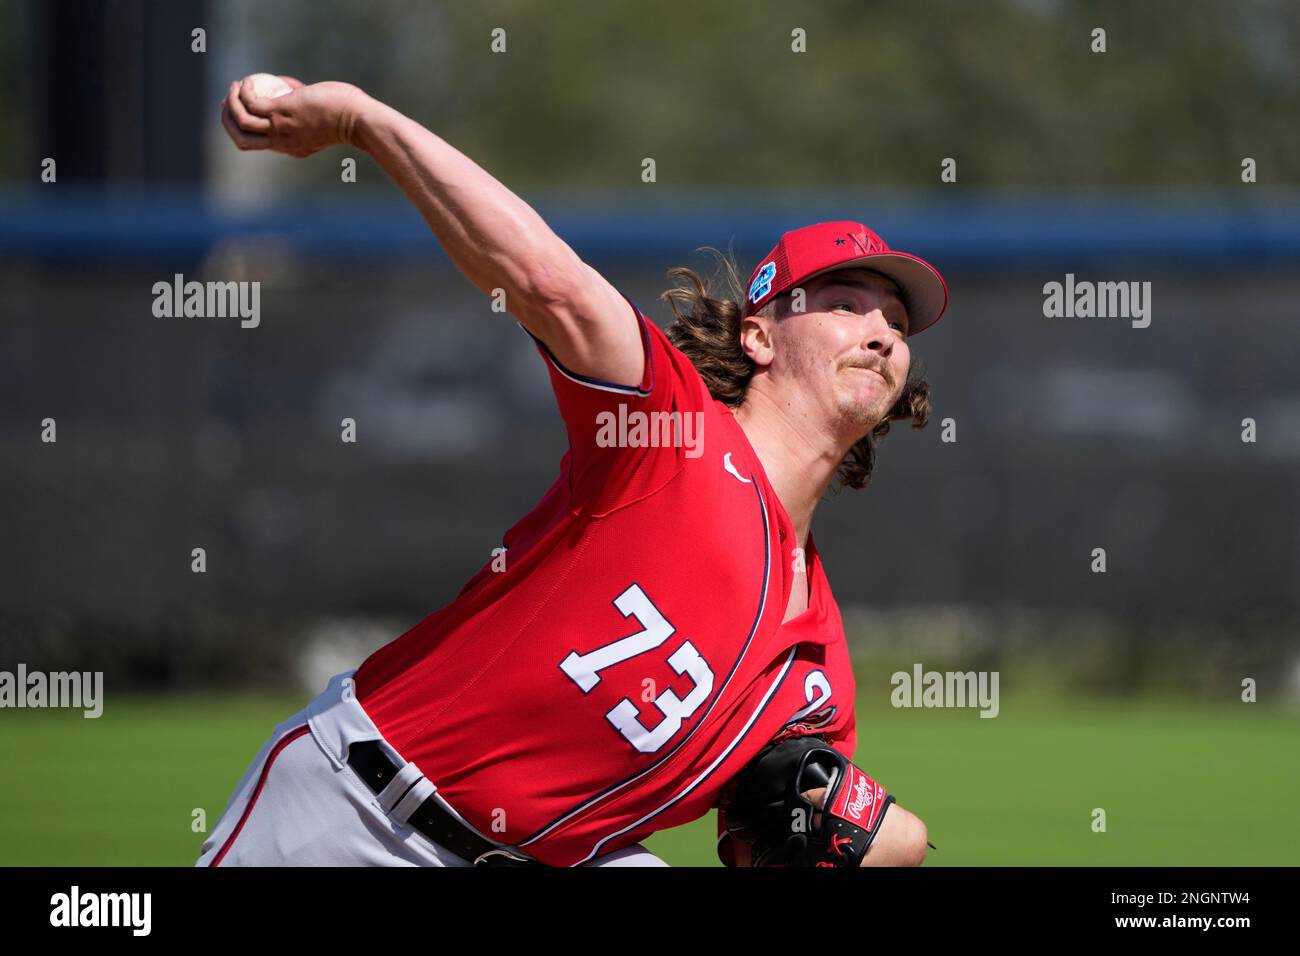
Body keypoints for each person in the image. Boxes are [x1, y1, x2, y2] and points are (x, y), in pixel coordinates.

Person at [201, 75, 946, 868]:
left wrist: (875, 843)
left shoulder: (819, 666)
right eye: (843, 303)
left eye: (896, 323)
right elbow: (546, 284)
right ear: (759, 337)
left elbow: (759, 843)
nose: (878, 332)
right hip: (360, 814)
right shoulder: (671, 430)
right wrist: (360, 118)